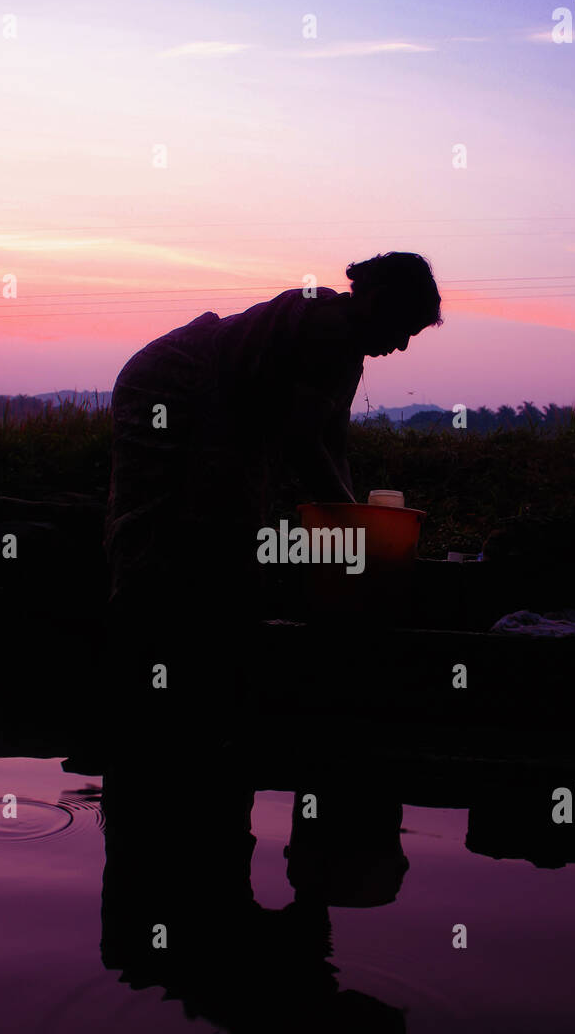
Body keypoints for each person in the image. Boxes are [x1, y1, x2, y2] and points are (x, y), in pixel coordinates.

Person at [103, 251, 441, 737]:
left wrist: (353, 521)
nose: (404, 345)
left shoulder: (348, 352)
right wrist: (356, 536)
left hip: (219, 403)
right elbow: (301, 445)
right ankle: (140, 665)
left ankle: (203, 663)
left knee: (234, 516)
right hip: (170, 387)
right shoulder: (330, 330)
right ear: (379, 300)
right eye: (405, 327)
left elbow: (332, 442)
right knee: (162, 519)